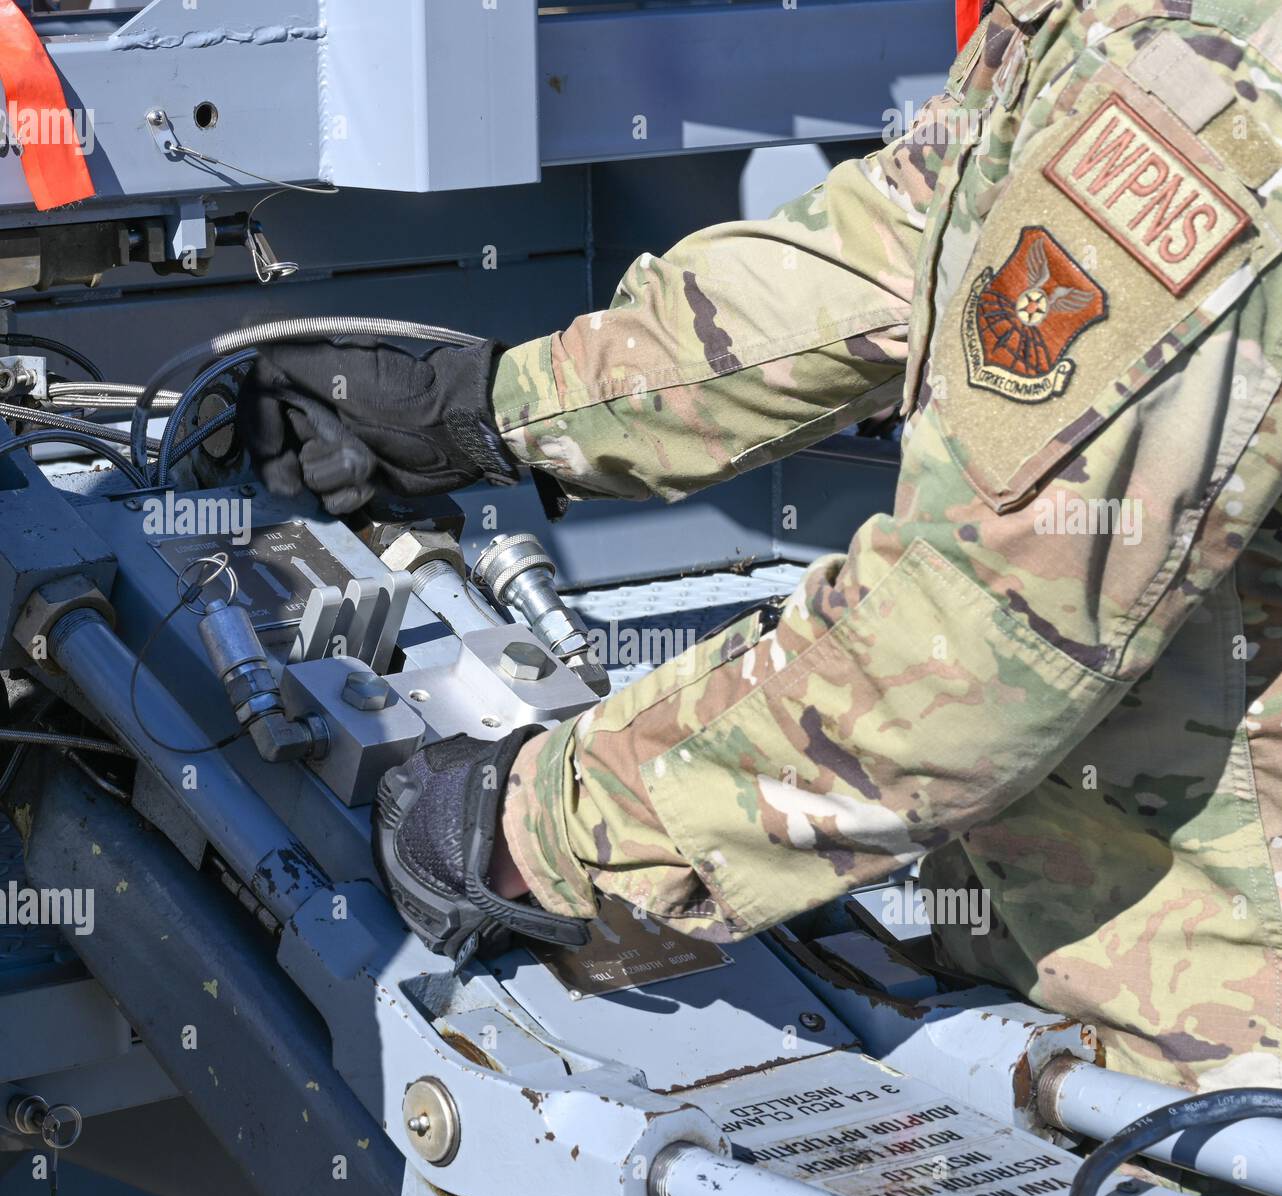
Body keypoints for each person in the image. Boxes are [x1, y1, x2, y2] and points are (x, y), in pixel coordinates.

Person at [238, 0, 1282, 1093]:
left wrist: (543, 826)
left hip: (1217, 1065)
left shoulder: (1223, 95)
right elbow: (898, 246)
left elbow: (970, 648)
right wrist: (498, 409)